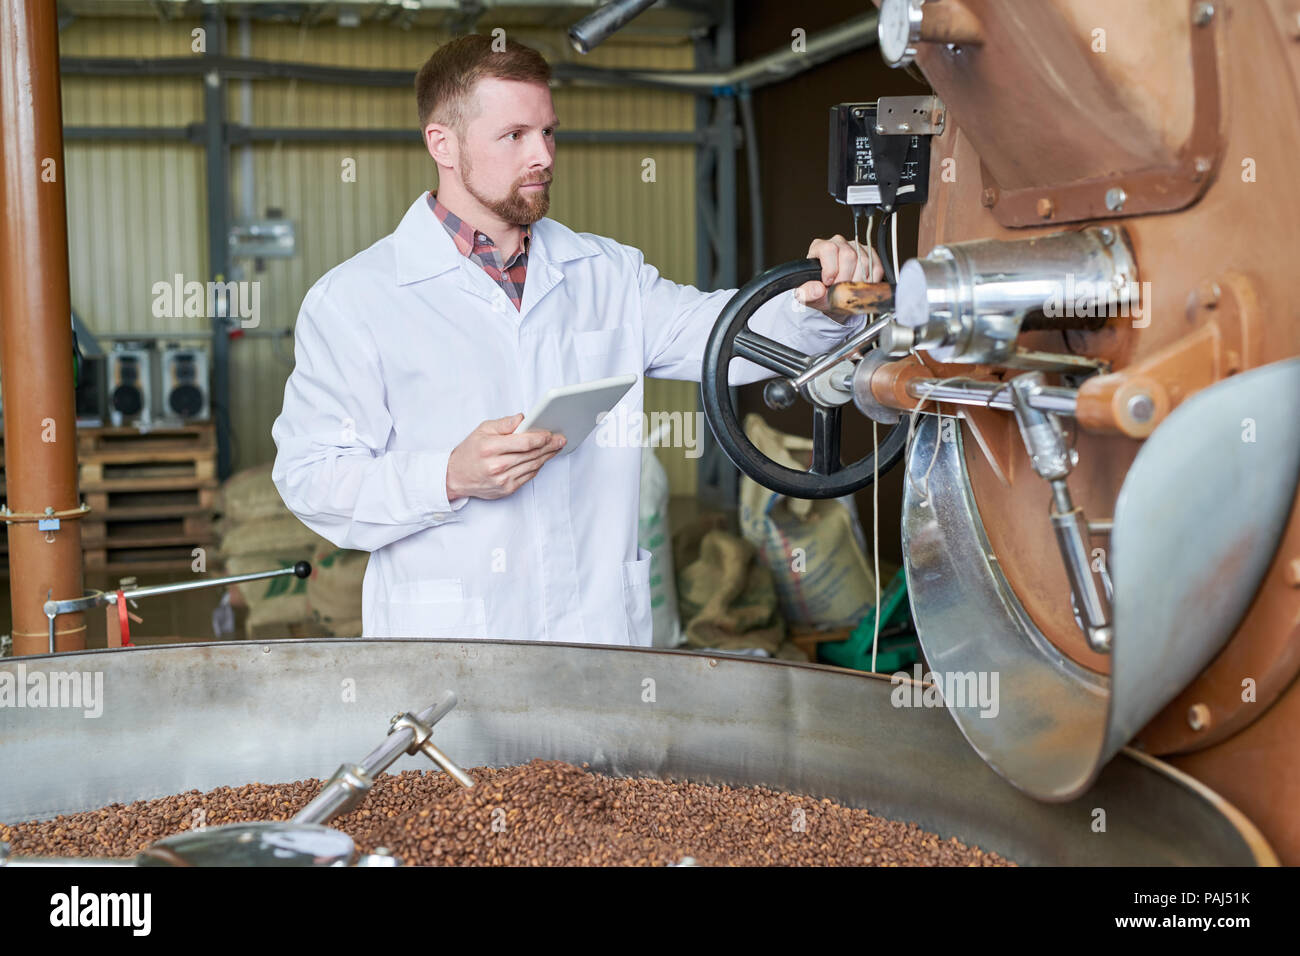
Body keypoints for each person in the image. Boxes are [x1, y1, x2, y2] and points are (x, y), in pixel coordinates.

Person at [271, 34, 883, 644]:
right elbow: (312, 478)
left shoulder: (605, 273)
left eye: (548, 132)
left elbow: (724, 338)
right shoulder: (358, 299)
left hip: (598, 634)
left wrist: (819, 303)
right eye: (514, 136)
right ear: (443, 144)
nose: (542, 155)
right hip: (452, 647)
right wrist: (448, 476)